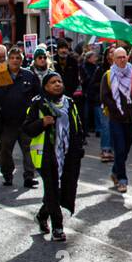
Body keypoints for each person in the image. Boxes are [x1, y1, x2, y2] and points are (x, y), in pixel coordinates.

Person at [22, 71, 84, 242]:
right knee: (51, 189)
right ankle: (58, 227)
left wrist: (79, 148)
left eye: (59, 81)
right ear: (45, 86)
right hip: (46, 154)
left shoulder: (70, 103)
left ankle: (43, 215)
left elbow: (77, 127)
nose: (57, 84)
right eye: (53, 82)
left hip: (66, 154)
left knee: (62, 189)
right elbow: (27, 128)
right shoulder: (38, 104)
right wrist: (42, 123)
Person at [0, 46, 41, 187]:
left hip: (25, 121)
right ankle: (7, 175)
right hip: (7, 122)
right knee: (5, 151)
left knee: (29, 150)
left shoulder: (29, 75)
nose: (14, 60)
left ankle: (29, 176)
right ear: (7, 59)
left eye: (18, 58)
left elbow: (39, 95)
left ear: (22, 60)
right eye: (12, 58)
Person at [101, 46, 132, 194]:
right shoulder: (108, 75)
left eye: (124, 57)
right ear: (113, 60)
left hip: (131, 118)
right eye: (119, 57)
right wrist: (117, 108)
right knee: (119, 148)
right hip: (116, 118)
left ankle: (115, 171)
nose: (122, 60)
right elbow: (105, 96)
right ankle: (122, 179)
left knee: (126, 149)